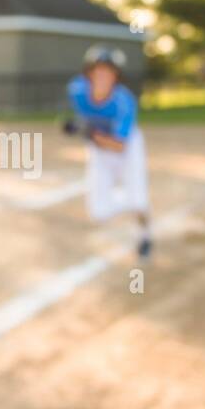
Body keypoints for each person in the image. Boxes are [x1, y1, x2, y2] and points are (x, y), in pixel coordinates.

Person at [63, 45, 152, 258]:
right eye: (98, 70)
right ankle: (127, 197)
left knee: (138, 201)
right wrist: (80, 127)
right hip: (100, 149)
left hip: (127, 149)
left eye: (108, 71)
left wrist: (90, 133)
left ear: (116, 76)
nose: (102, 76)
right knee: (99, 212)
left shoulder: (124, 100)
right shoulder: (77, 90)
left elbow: (120, 144)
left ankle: (144, 234)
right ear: (89, 73)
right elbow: (84, 119)